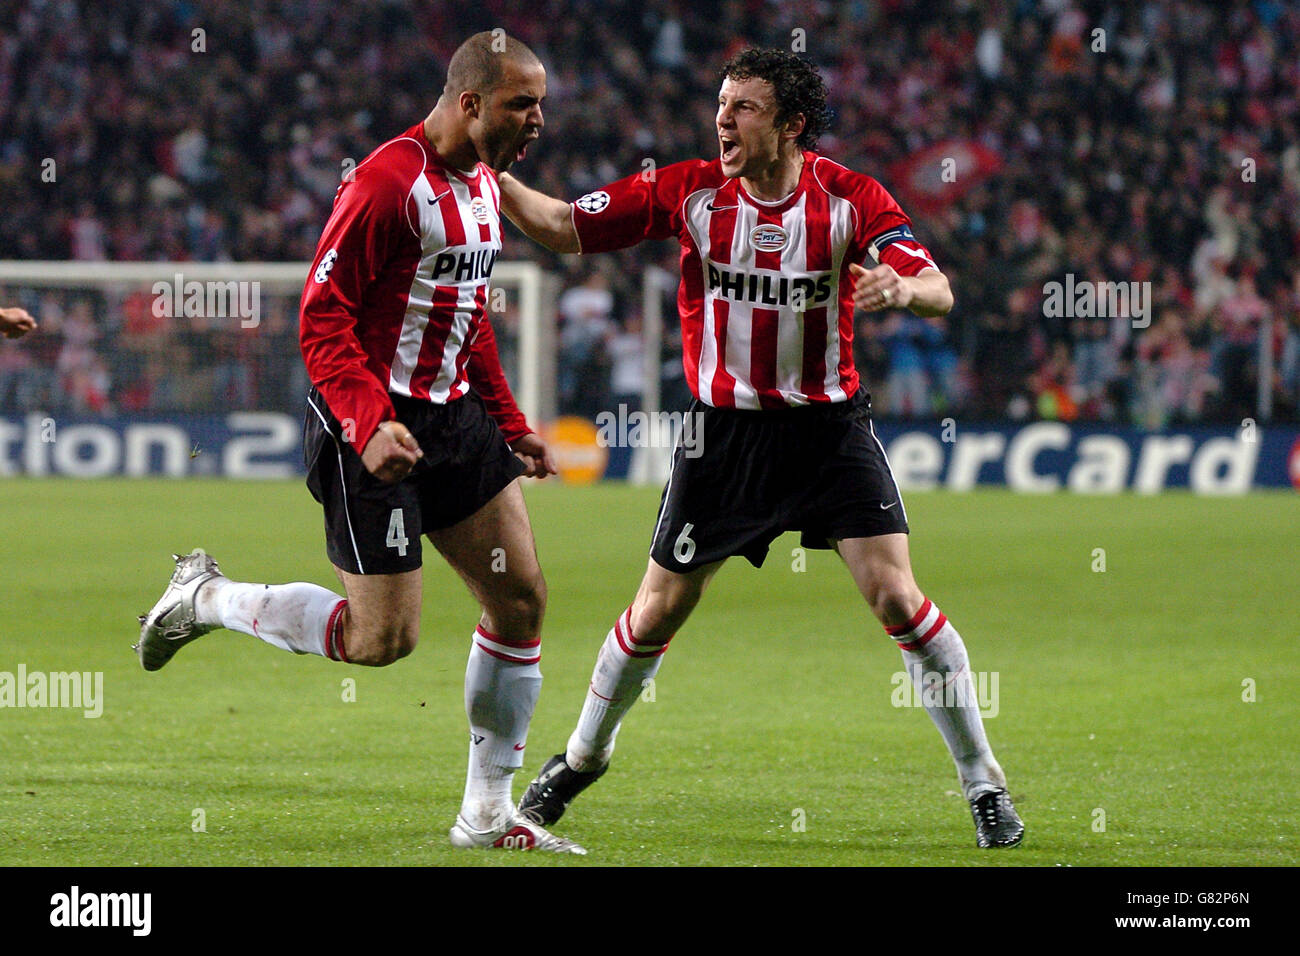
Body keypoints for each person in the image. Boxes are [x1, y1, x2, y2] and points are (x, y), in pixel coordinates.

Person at [497, 48, 1024, 848]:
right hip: (724, 437)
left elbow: (938, 288)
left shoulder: (851, 198)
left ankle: (984, 784)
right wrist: (484, 173)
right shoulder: (687, 190)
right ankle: (580, 759)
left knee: (895, 596)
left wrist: (901, 290)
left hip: (828, 431)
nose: (723, 119)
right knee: (658, 609)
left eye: (743, 107)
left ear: (790, 124)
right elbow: (565, 227)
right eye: (721, 103)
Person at [135, 31, 585, 854]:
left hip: (455, 424)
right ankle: (203, 600)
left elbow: (467, 315)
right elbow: (323, 314)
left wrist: (512, 425)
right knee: (382, 642)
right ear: (471, 102)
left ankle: (486, 813)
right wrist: (368, 422)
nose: (539, 120)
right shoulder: (386, 183)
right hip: (369, 426)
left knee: (520, 600)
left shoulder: (486, 183)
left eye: (541, 103)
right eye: (525, 103)